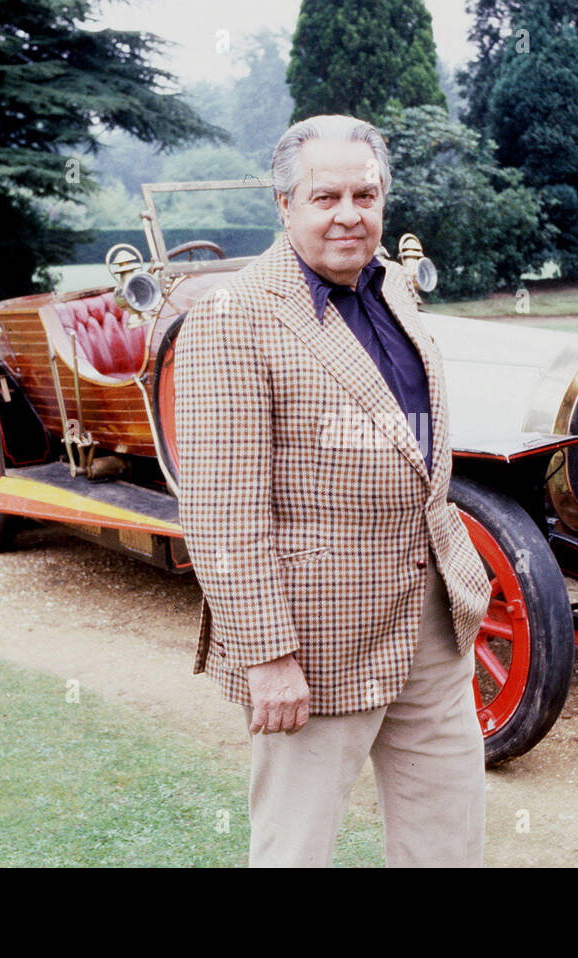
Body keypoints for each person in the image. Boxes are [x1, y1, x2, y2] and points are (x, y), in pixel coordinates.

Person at [172, 114, 492, 867]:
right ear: (284, 206)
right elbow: (223, 511)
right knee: (297, 849)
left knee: (448, 840)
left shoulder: (396, 288)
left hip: (433, 622)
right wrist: (268, 657)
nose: (349, 214)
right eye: (326, 197)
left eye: (365, 193)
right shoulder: (235, 317)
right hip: (312, 643)